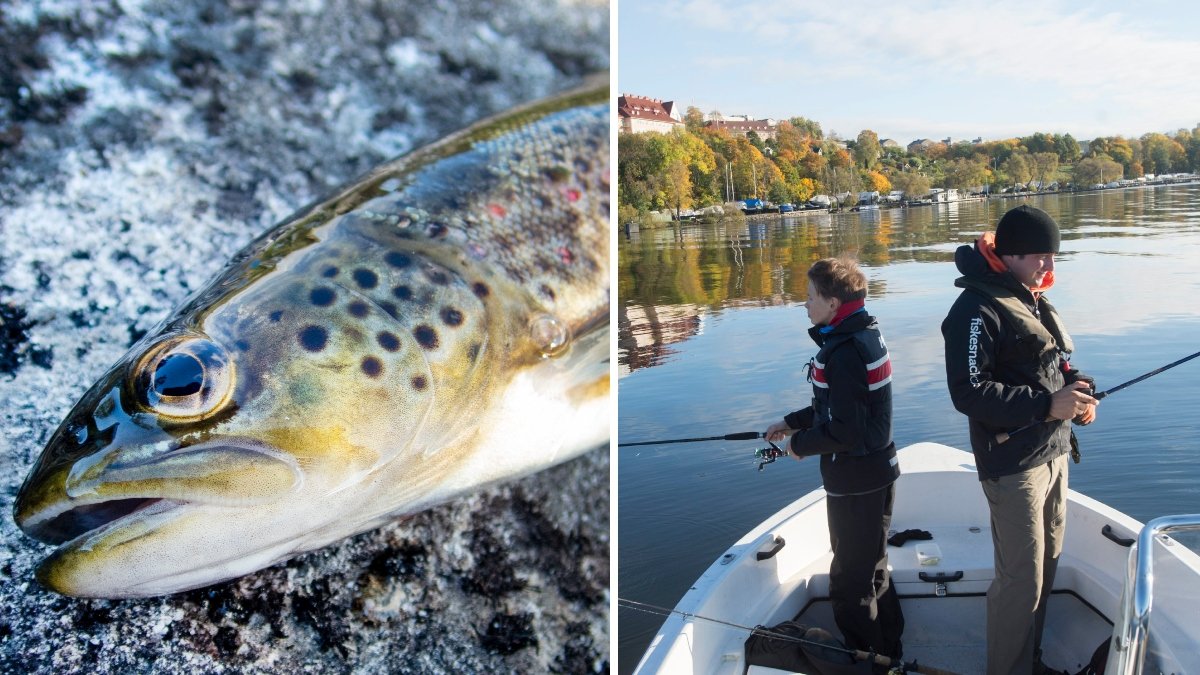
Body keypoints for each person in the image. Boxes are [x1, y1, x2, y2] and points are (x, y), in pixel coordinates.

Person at [941, 205, 1098, 675]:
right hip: (1013, 466)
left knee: (1047, 567)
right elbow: (968, 392)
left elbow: (1052, 364)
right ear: (1009, 255)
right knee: (1021, 581)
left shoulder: (1029, 297)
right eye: (1039, 256)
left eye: (1052, 256)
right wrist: (1047, 405)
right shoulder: (975, 309)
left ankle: (1030, 662)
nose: (1048, 266)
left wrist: (1080, 391)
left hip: (1054, 453)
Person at [764, 256, 904, 664]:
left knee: (848, 582)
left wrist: (798, 445)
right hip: (878, 470)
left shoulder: (843, 353)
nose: (805, 304)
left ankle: (867, 662)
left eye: (810, 297)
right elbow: (841, 408)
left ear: (833, 303)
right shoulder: (864, 333)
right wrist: (791, 423)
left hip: (856, 481)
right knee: (873, 568)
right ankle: (890, 654)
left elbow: (846, 431)